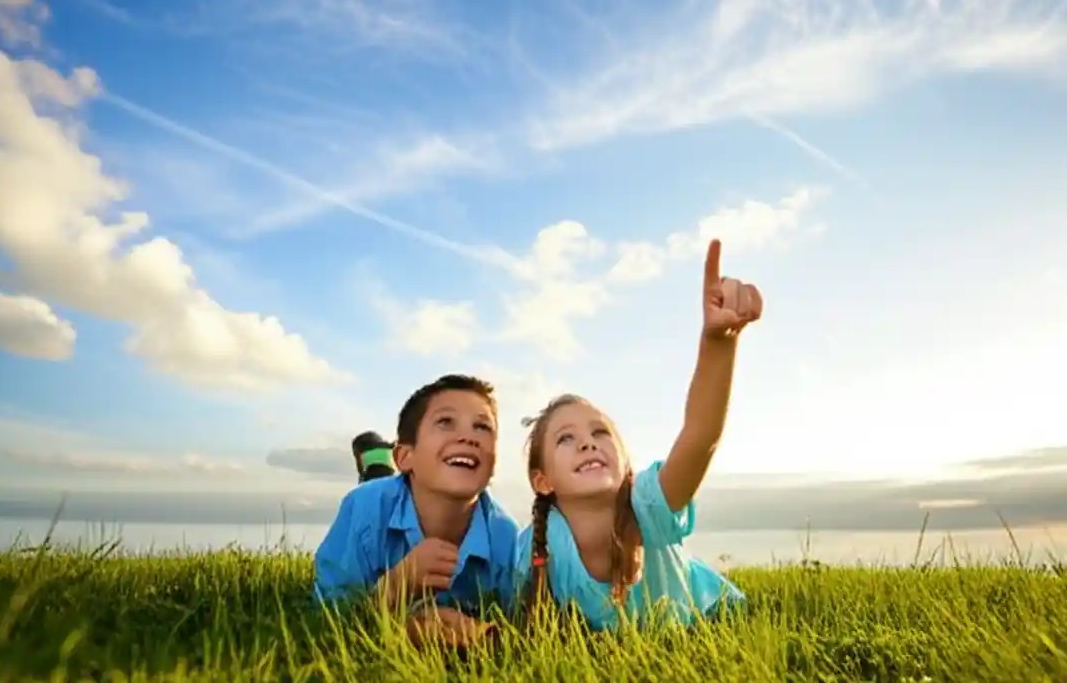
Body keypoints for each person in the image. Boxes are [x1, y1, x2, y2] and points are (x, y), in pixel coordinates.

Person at [516, 239, 762, 631]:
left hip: (708, 618)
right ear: (541, 480)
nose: (587, 442)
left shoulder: (649, 504)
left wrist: (718, 343)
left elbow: (700, 436)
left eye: (601, 432)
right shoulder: (536, 547)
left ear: (625, 462)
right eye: (565, 439)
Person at [314, 374, 520, 647]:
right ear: (406, 456)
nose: (468, 436)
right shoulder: (363, 508)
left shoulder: (505, 536)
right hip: (389, 492)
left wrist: (481, 633)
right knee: (377, 482)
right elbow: (327, 617)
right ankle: (376, 459)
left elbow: (519, 624)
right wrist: (395, 587)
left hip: (408, 483)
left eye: (482, 427)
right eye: (445, 422)